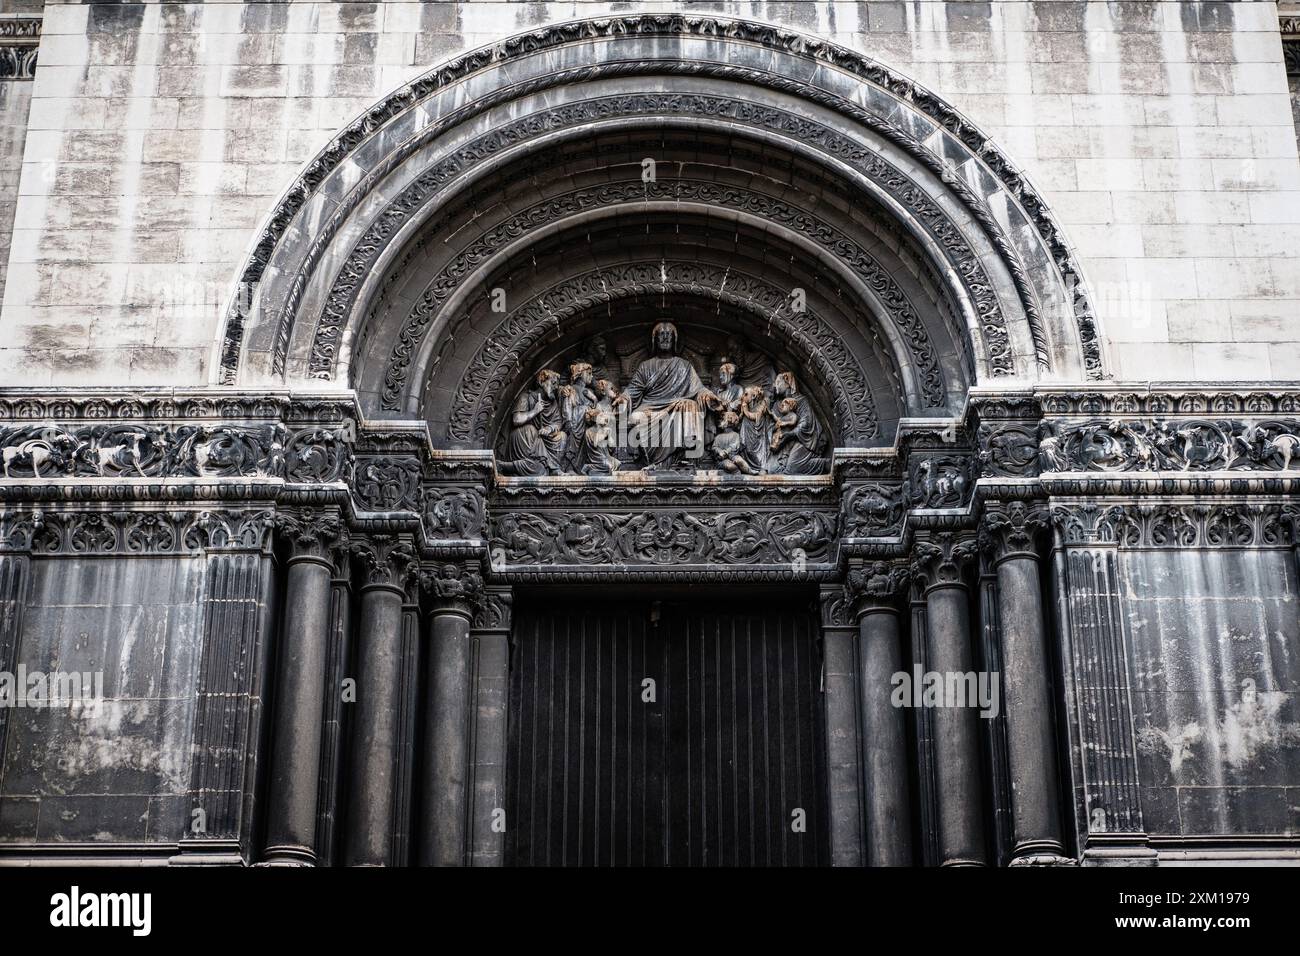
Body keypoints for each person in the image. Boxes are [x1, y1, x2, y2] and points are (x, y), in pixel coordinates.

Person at [615, 321, 722, 469]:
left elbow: (699, 389)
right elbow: (633, 389)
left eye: (668, 335)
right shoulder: (646, 366)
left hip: (677, 406)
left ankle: (685, 457)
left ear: (674, 340)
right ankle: (655, 462)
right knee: (634, 418)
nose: (665, 338)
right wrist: (624, 397)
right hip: (650, 408)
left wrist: (708, 396)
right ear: (655, 340)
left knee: (690, 406)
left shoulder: (684, 365)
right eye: (661, 335)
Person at [499, 369, 567, 475]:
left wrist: (549, 429)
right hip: (526, 437)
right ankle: (548, 466)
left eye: (557, 385)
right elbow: (516, 419)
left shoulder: (553, 404)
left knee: (562, 436)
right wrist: (534, 411)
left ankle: (553, 467)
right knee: (531, 430)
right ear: (541, 382)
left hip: (544, 438)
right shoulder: (526, 397)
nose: (556, 387)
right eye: (553, 383)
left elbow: (558, 422)